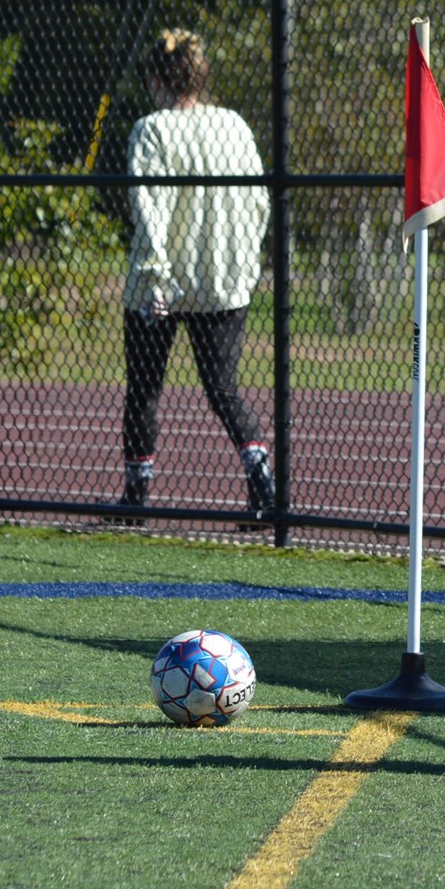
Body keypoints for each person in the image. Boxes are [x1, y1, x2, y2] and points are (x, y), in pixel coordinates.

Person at [117, 28, 274, 522]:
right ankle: (263, 485)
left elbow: (149, 207)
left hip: (160, 285)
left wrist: (156, 276)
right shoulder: (234, 125)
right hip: (220, 278)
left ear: (157, 78)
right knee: (223, 388)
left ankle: (136, 497)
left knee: (144, 389)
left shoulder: (152, 130)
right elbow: (258, 201)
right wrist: (244, 262)